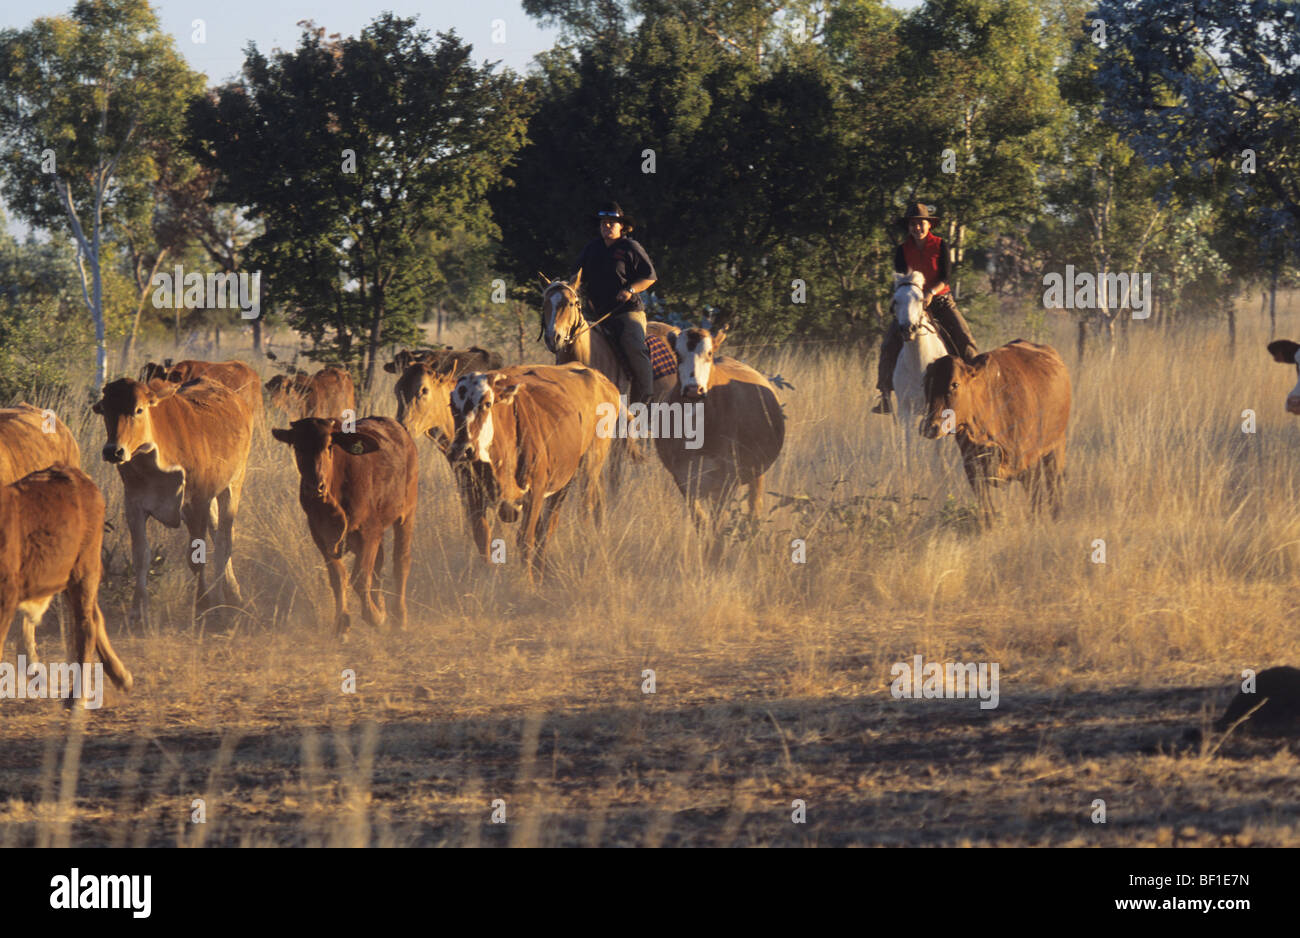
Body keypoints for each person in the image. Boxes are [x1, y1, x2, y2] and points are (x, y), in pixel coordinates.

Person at [873, 202, 979, 415]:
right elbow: (901, 279)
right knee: (888, 345)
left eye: (921, 223)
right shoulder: (902, 250)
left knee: (964, 337)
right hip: (912, 303)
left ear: (928, 225)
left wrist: (930, 293)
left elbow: (945, 276)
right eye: (913, 224)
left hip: (939, 300)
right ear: (909, 227)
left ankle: (977, 391)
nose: (917, 228)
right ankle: (884, 394)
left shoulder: (940, 244)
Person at [570, 202, 658, 406]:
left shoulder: (630, 247)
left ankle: (646, 398)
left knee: (634, 346)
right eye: (603, 223)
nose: (606, 226)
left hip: (626, 312)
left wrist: (630, 290)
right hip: (595, 314)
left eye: (611, 223)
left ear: (621, 226)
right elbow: (576, 276)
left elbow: (649, 277)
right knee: (569, 342)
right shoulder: (592, 248)